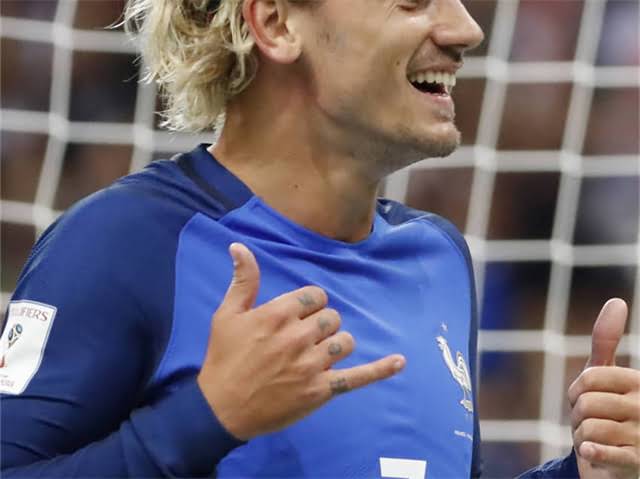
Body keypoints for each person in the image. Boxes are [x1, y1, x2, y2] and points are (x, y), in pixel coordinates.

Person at [1, 0, 638, 477]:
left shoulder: (438, 257)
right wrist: (207, 417)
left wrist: (585, 472)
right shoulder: (125, 242)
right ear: (277, 24)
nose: (465, 29)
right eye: (413, 1)